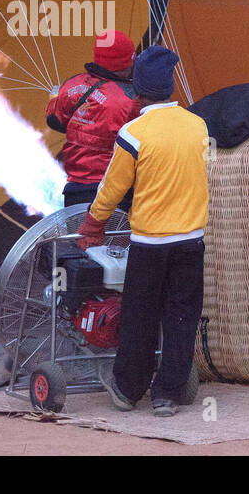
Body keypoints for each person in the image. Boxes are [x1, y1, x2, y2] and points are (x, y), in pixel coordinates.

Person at [81, 46, 208, 417]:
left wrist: (93, 224)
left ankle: (127, 390)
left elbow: (111, 189)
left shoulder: (133, 134)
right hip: (190, 241)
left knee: (140, 317)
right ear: (170, 88)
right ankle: (167, 394)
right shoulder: (197, 125)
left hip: (150, 243)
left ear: (137, 93)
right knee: (182, 317)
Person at [45, 29, 140, 208]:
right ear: (123, 65)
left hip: (75, 191)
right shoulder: (129, 100)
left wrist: (53, 98)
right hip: (114, 190)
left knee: (79, 235)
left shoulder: (72, 85)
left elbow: (54, 120)